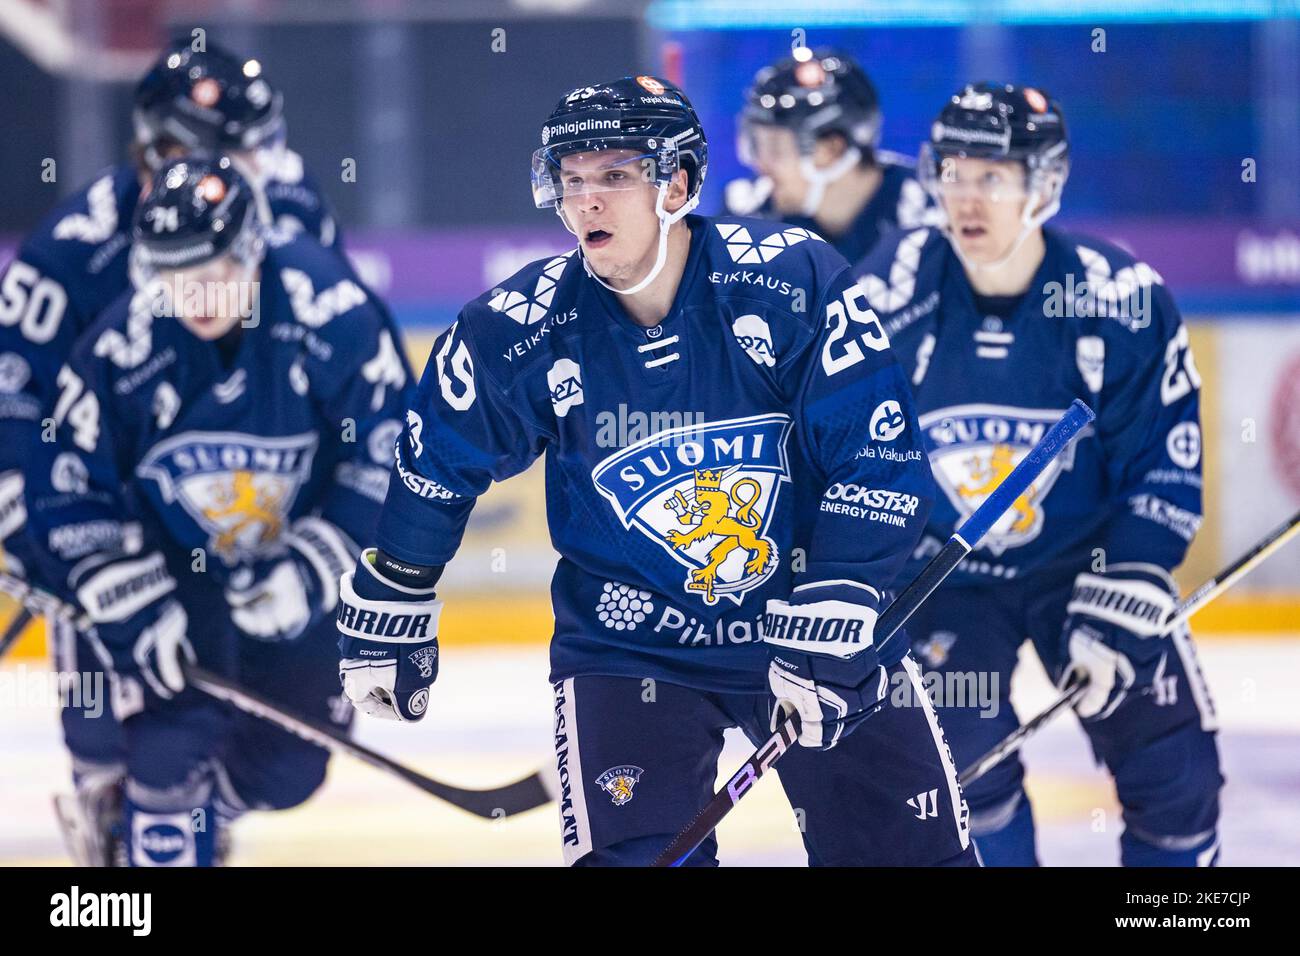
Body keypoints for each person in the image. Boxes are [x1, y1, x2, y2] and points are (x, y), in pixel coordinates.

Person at [335, 75, 976, 867]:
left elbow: (873, 454)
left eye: (613, 176)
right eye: (571, 181)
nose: (586, 203)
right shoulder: (518, 329)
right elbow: (439, 455)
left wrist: (845, 591)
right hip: (631, 647)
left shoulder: (789, 281)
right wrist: (398, 581)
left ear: (677, 181)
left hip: (813, 623)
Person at [853, 82, 1222, 866]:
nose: (966, 196)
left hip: (1079, 563)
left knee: (1176, 777)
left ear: (1045, 183)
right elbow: (849, 448)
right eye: (952, 171)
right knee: (964, 777)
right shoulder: (892, 289)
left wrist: (1127, 584)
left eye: (992, 174)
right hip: (944, 576)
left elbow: (1164, 456)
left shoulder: (1116, 298)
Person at [0, 38, 344, 863]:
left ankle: (186, 815)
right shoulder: (81, 244)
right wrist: (35, 531)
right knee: (125, 732)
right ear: (161, 155)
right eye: (243, 147)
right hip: (120, 516)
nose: (269, 164)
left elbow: (323, 365)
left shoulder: (290, 209)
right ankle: (125, 817)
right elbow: (16, 394)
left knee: (279, 749)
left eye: (266, 141)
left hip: (238, 516)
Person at [25, 154, 409, 866]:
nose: (193, 297)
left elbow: (394, 452)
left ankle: (197, 815)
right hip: (179, 567)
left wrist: (318, 562)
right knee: (173, 736)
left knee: (293, 766)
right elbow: (68, 480)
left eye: (212, 273)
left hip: (300, 550)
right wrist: (129, 595)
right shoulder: (125, 343)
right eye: (173, 276)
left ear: (252, 250)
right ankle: (152, 835)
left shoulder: (332, 311)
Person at [725, 46, 931, 266]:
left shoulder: (934, 213)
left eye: (775, 148)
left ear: (832, 149)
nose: (760, 166)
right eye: (755, 145)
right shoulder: (745, 213)